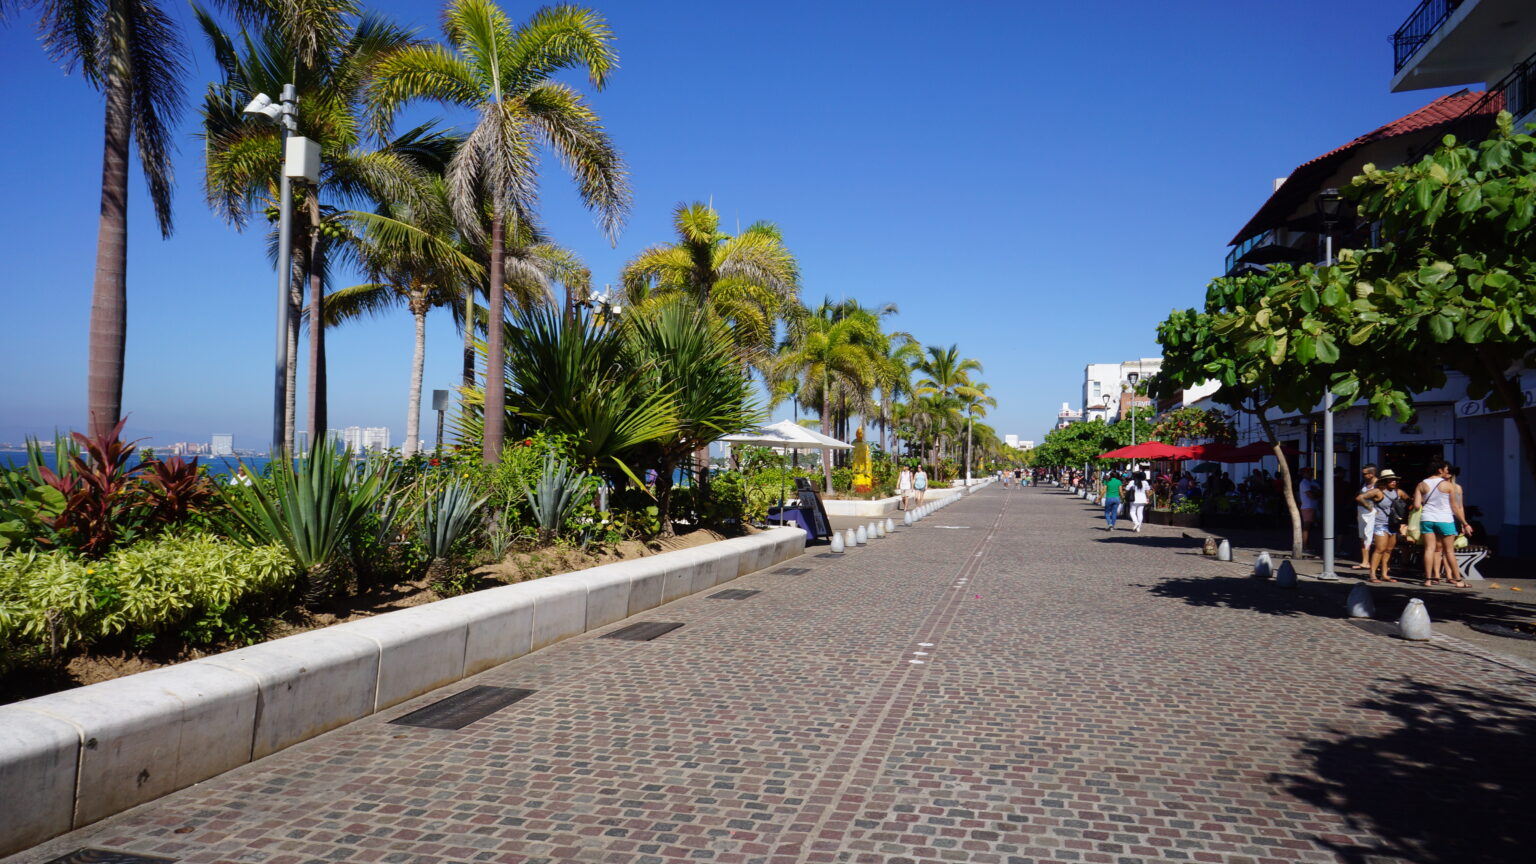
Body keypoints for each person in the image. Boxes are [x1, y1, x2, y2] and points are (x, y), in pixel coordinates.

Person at [1414, 459, 1472, 588]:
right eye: (1446, 468)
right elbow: (1454, 507)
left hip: (1427, 519)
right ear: (1440, 470)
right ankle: (1458, 580)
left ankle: (1428, 580)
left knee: (1429, 549)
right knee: (1449, 551)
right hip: (1445, 519)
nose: (1447, 471)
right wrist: (1464, 523)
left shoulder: (1421, 484)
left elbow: (1417, 505)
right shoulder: (1448, 485)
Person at [1355, 469, 1404, 584]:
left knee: (1389, 550)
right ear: (1385, 481)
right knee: (1380, 549)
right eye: (1391, 480)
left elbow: (1409, 500)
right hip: (1380, 523)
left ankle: (1384, 574)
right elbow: (1360, 498)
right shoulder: (1378, 491)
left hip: (1393, 524)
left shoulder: (1398, 492)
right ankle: (1372, 574)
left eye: (1395, 480)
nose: (1394, 482)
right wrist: (1370, 508)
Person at [1353, 464, 1378, 570]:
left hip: (1374, 513)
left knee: (1375, 538)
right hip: (1362, 513)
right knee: (1363, 537)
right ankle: (1365, 561)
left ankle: (1376, 563)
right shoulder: (1364, 483)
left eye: (1365, 474)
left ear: (1372, 474)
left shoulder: (1378, 485)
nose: (1363, 475)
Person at [1298, 468, 1321, 552]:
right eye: (1308, 472)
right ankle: (1304, 546)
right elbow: (1311, 495)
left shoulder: (1313, 482)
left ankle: (1307, 545)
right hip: (1307, 506)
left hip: (1314, 506)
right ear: (1303, 474)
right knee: (1306, 527)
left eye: (1311, 472)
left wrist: (1316, 494)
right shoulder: (1304, 483)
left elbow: (1320, 492)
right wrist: (1316, 494)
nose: (1310, 473)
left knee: (1310, 528)